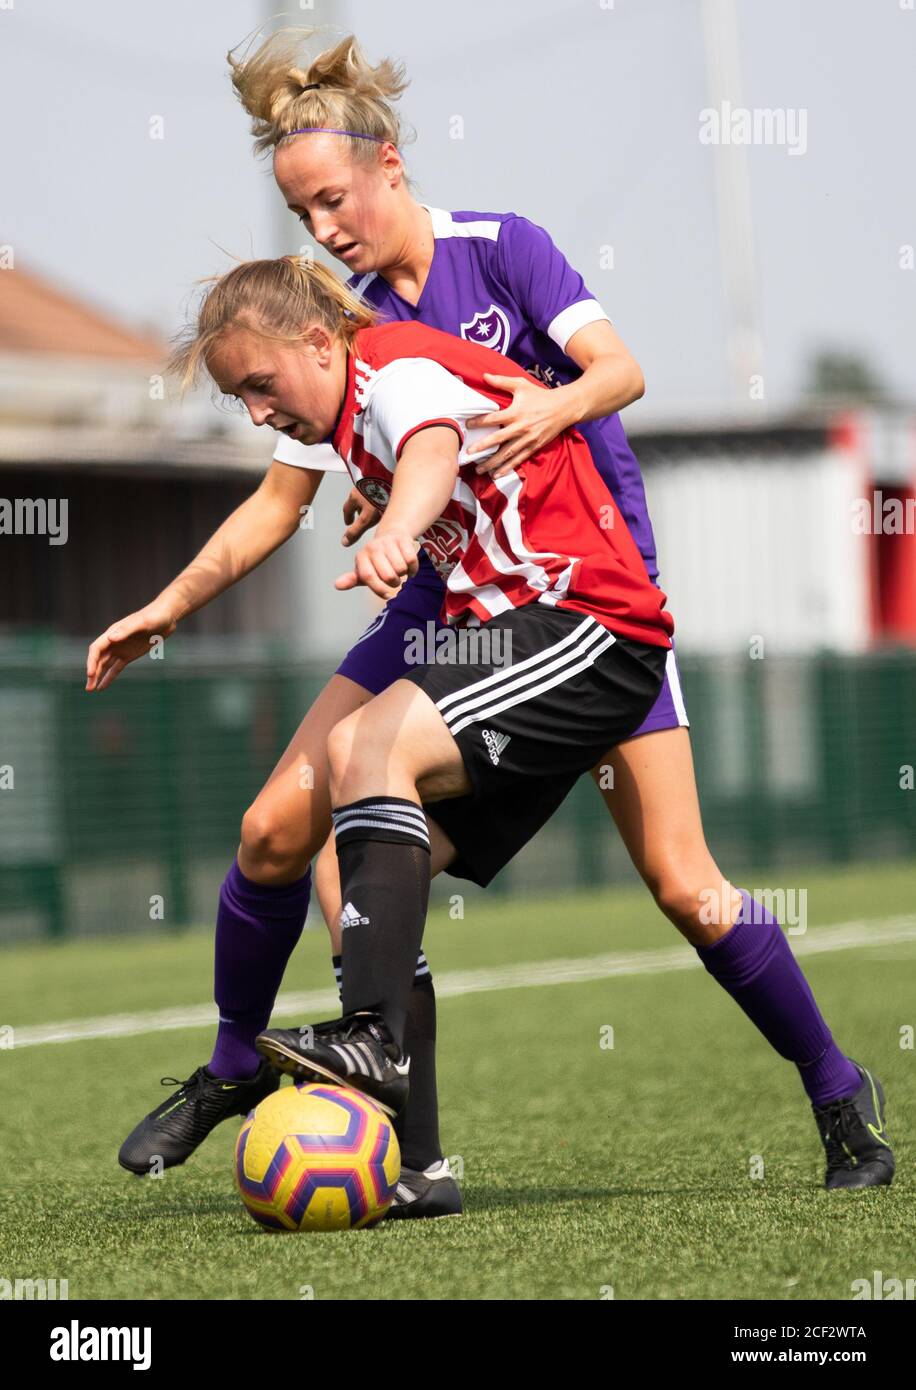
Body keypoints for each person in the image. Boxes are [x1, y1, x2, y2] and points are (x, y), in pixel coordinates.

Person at [92, 28, 892, 1201]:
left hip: (581, 598)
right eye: (301, 214)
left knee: (682, 882)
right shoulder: (335, 331)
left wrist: (529, 415)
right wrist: (168, 604)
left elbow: (612, 375)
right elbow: (287, 495)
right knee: (291, 836)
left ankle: (835, 1086)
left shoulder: (492, 257)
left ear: (389, 165)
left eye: (331, 199)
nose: (323, 229)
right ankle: (383, 1139)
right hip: (450, 603)